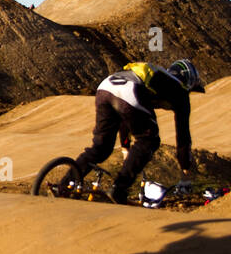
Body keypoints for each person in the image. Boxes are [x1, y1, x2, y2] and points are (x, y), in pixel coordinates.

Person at [68, 59, 205, 204]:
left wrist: (125, 147)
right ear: (190, 82)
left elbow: (125, 115)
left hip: (105, 87)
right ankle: (118, 189)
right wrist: (185, 172)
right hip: (128, 90)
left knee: (101, 147)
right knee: (149, 140)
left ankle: (66, 185)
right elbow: (183, 137)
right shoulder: (181, 92)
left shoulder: (158, 77)